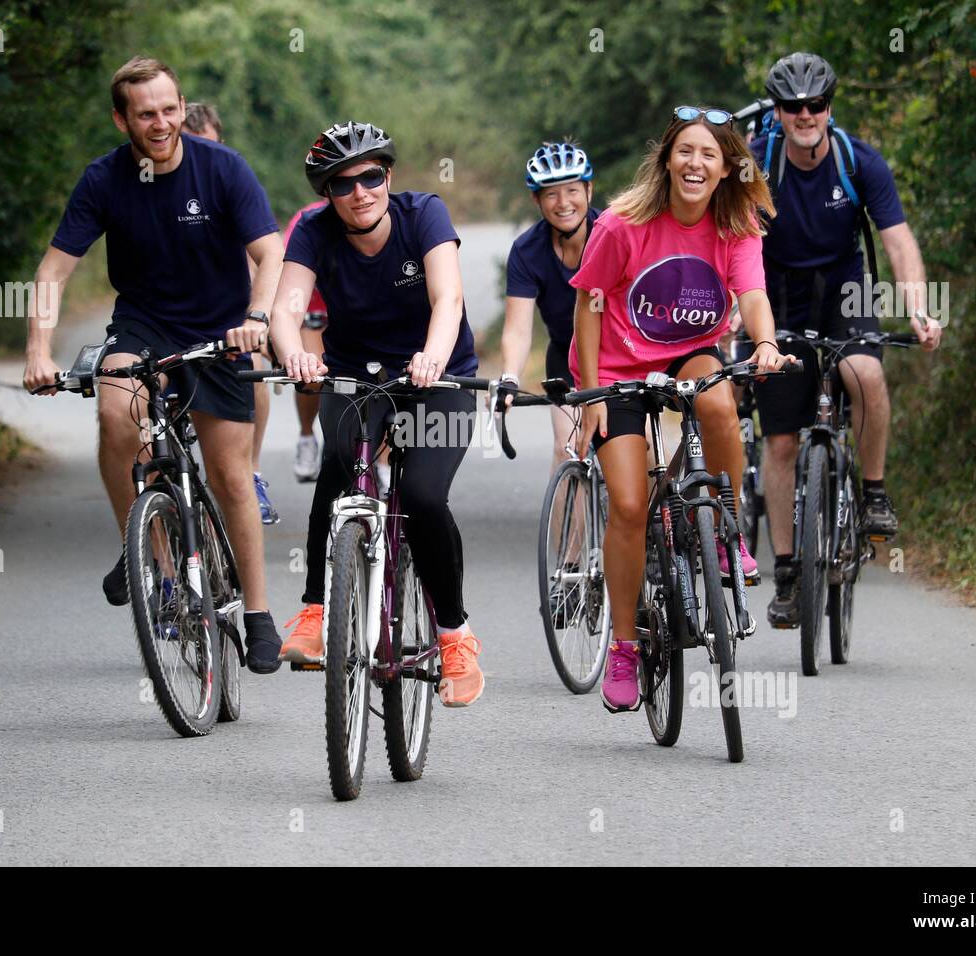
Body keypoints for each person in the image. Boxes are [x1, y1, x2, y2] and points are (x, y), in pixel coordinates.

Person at [22, 57, 286, 673]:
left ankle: (257, 612)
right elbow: (53, 271)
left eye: (170, 109)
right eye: (146, 114)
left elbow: (269, 252)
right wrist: (38, 350)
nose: (162, 122)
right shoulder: (104, 179)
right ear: (123, 119)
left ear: (180, 106)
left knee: (229, 474)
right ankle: (143, 553)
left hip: (221, 328)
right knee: (116, 411)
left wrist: (258, 317)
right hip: (144, 326)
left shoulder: (223, 169)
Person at [569, 106, 795, 713]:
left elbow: (751, 296)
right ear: (668, 159)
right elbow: (588, 305)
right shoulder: (622, 223)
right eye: (686, 152)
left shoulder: (737, 226)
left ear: (726, 170)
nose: (696, 164)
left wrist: (766, 344)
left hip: (689, 351)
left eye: (710, 155)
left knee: (720, 405)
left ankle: (722, 526)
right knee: (628, 504)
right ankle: (623, 645)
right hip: (617, 364)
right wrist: (591, 395)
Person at [269, 121, 486, 707]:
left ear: (387, 176)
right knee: (338, 465)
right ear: (327, 196)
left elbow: (449, 299)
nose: (360, 192)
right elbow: (286, 310)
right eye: (342, 185)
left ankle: (454, 636)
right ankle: (315, 611)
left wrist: (433, 357)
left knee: (421, 497)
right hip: (356, 377)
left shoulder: (424, 215)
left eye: (370, 177)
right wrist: (294, 354)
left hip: (439, 378)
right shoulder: (314, 234)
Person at [750, 52, 941, 628]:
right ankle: (786, 573)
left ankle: (875, 491)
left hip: (844, 286)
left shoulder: (861, 162)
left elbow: (900, 242)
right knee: (781, 441)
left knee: (865, 373)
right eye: (793, 106)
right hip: (776, 293)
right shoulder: (757, 165)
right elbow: (728, 239)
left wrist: (919, 311)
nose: (806, 115)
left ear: (830, 107)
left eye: (816, 105)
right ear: (779, 112)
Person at [183, 101, 280, 524]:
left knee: (251, 365)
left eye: (212, 145)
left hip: (230, 314)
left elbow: (261, 259)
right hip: (172, 317)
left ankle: (252, 471)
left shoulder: (226, 179)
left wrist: (265, 320)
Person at [497, 141, 600, 465]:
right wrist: (510, 376)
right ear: (536, 199)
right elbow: (517, 330)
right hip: (565, 355)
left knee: (642, 455)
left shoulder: (613, 233)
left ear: (589, 190)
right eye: (551, 194)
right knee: (567, 452)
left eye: (572, 190)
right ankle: (567, 515)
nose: (563, 203)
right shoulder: (527, 251)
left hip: (618, 356)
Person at [280, 199, 329, 483]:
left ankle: (381, 464)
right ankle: (307, 437)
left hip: (357, 308)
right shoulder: (306, 220)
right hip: (313, 307)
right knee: (312, 374)